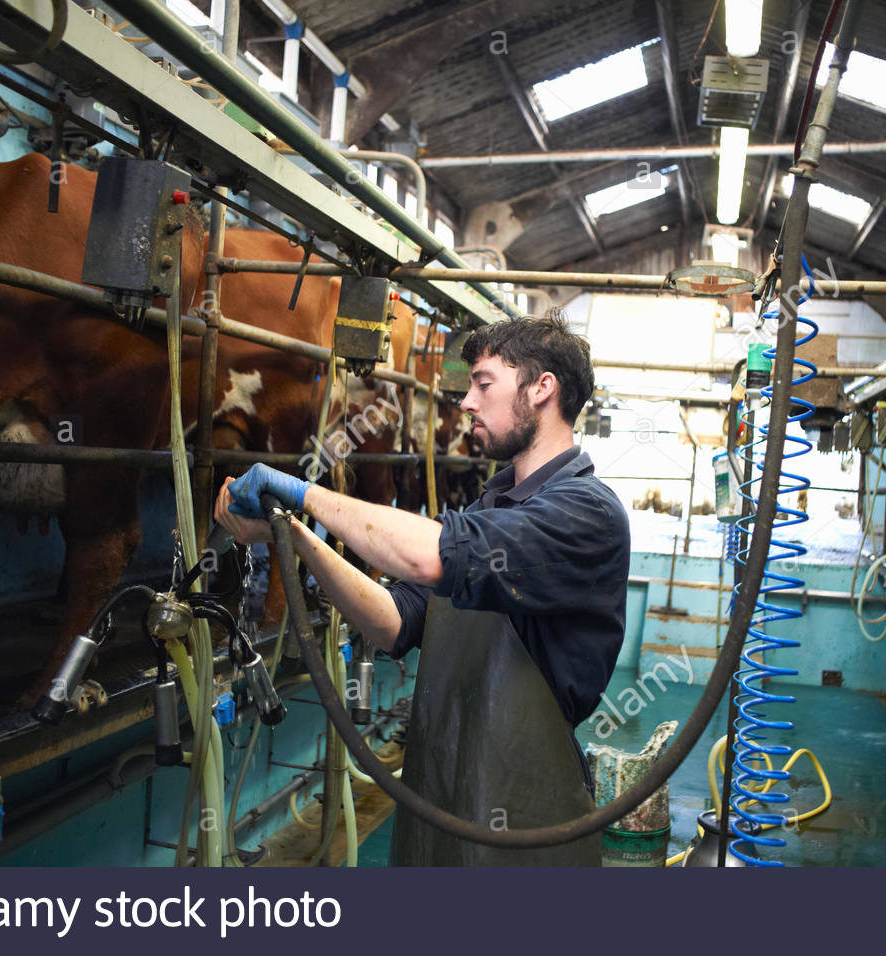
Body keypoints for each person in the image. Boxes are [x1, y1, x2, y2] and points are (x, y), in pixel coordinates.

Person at [213, 314, 630, 865]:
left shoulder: (586, 513)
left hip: (523, 822)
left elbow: (429, 554)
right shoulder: (491, 506)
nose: (467, 403)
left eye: (483, 384)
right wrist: (290, 532)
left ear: (542, 388)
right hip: (442, 797)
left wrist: (305, 493)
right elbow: (392, 621)